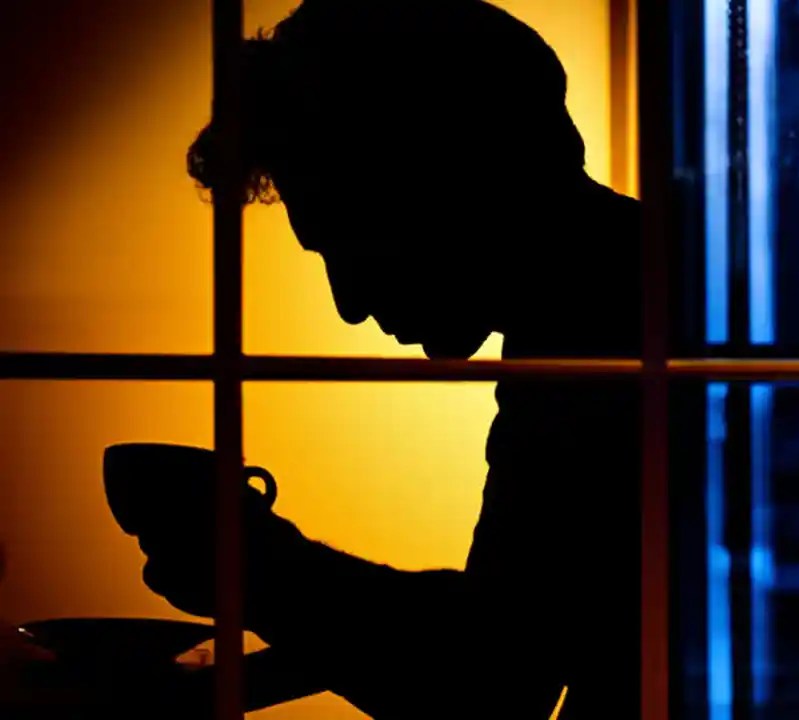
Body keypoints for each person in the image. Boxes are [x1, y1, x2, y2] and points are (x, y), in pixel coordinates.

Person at [129, 1, 642, 717]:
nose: (349, 303)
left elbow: (490, 679)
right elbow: (519, 627)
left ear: (446, 178)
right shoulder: (603, 303)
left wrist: (260, 569)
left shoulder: (608, 331)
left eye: (350, 241)